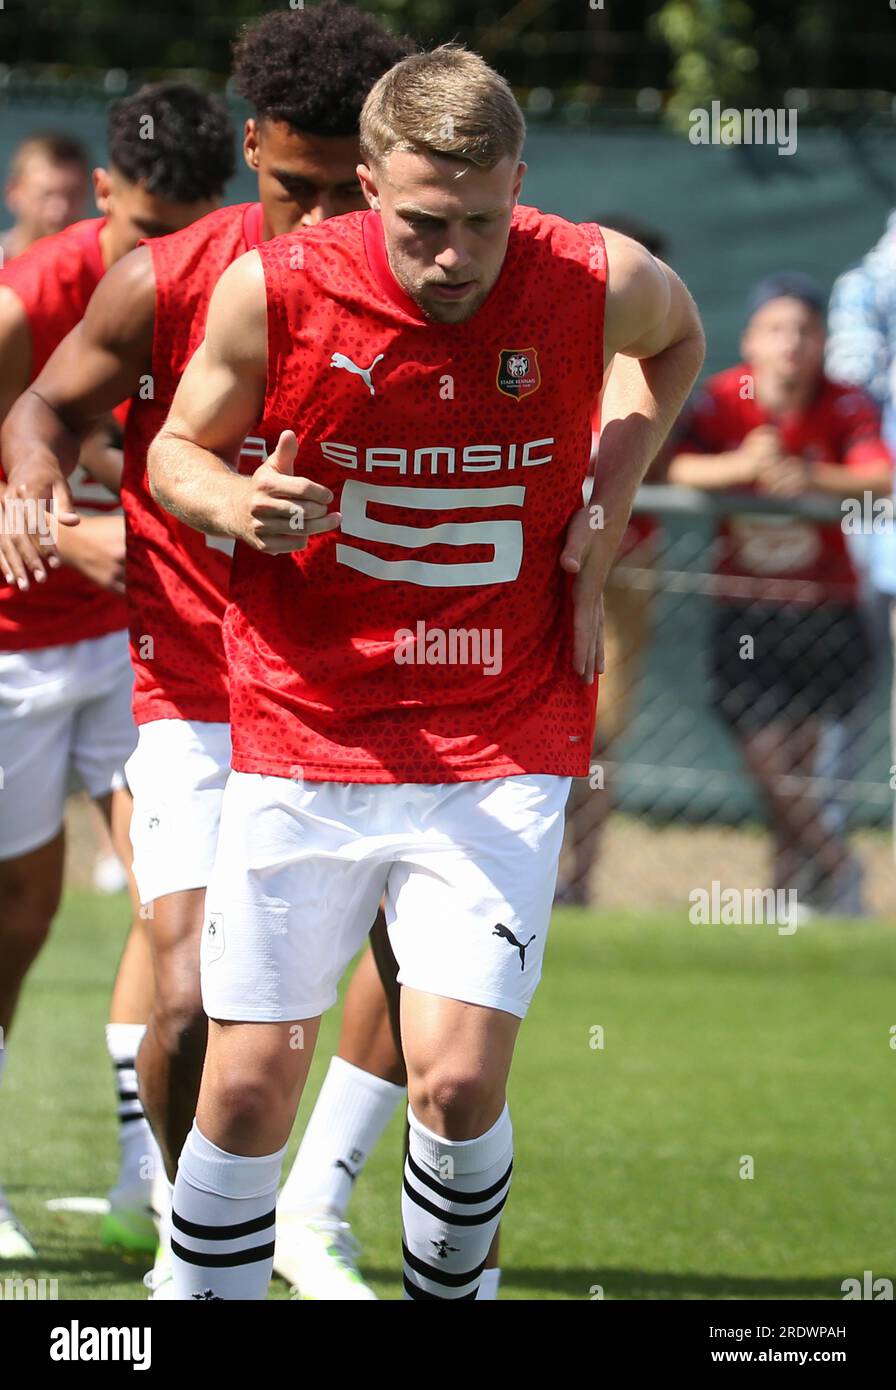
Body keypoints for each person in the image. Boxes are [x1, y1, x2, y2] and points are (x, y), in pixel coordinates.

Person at [142, 43, 704, 1300]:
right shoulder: (272, 289)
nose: (454, 256)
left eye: (481, 221)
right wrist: (238, 501)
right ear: (363, 182)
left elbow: (677, 341)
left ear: (521, 182)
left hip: (499, 733)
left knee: (454, 1080)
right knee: (241, 1088)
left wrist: (607, 500)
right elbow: (175, 449)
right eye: (421, 225)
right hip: (305, 727)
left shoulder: (591, 273)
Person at [1, 2, 417, 1300]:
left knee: (427, 981)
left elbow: (633, 341)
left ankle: (317, 1207)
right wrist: (32, 485)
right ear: (251, 150)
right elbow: (44, 405)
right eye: (291, 188)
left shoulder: (448, 285)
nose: (317, 223)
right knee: (182, 992)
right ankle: (202, 1238)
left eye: (345, 191)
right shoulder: (166, 278)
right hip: (193, 687)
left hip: (378, 688)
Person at [0, 81, 235, 1261]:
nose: (171, 255)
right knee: (17, 915)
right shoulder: (26, 298)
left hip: (144, 643)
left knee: (171, 906)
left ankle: (152, 1178)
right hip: (14, 643)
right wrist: (42, 513)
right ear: (100, 198)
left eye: (191, 226)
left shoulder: (233, 288)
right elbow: (29, 439)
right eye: (149, 231)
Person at [668, 273, 891, 913]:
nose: (790, 343)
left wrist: (809, 478)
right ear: (750, 339)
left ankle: (789, 892)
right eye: (776, 329)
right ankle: (837, 865)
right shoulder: (720, 399)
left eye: (804, 331)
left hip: (827, 611)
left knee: (799, 760)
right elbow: (674, 465)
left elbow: (880, 477)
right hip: (747, 611)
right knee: (768, 760)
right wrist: (740, 470)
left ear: (823, 341)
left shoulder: (843, 403)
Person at [559, 216, 666, 905]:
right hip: (534, 561)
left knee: (597, 737)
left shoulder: (664, 360)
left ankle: (581, 881)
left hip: (624, 566)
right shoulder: (554, 344)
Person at [827, 215, 896, 855]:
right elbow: (849, 381)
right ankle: (829, 858)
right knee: (842, 706)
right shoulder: (870, 284)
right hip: (872, 540)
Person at [0, 131, 90, 263]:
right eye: (47, 195)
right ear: (13, 192)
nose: (61, 209)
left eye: (73, 194)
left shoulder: (98, 270)